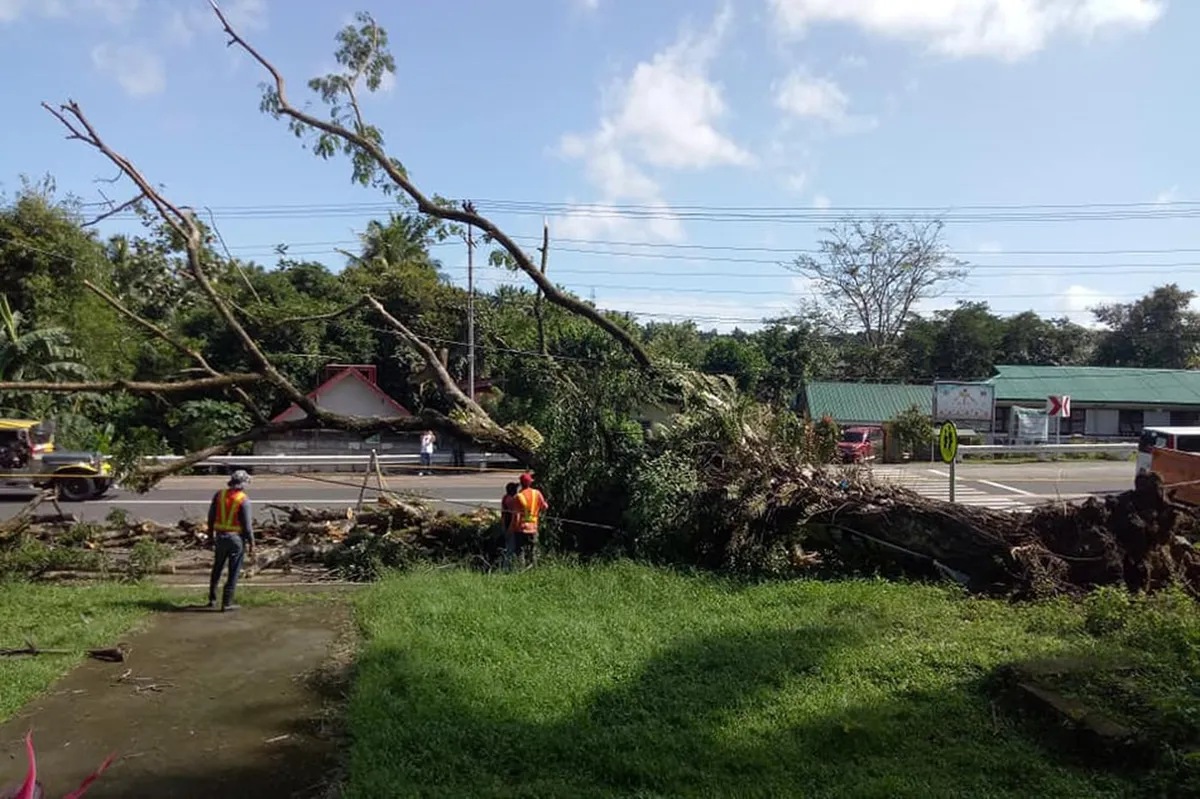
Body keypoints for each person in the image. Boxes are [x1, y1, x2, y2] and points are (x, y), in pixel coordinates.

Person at [206, 470, 254, 611]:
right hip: (236, 539)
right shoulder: (243, 499)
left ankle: (212, 599)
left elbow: (211, 518)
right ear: (243, 484)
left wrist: (210, 536)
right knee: (233, 570)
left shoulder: (219, 495)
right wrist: (252, 543)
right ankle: (227, 603)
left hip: (220, 537)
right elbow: (247, 526)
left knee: (217, 568)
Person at [512, 472, 549, 570]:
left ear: (521, 483)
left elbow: (516, 515)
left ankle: (521, 570)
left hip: (521, 528)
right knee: (533, 551)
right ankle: (533, 569)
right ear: (530, 483)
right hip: (533, 527)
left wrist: (512, 528)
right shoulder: (536, 493)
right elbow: (545, 507)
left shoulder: (518, 497)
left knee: (520, 552)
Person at [500, 481, 521, 571]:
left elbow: (503, 515)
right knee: (511, 549)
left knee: (509, 547)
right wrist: (510, 529)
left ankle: (508, 566)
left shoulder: (505, 498)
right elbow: (515, 516)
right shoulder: (512, 500)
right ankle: (508, 568)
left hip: (507, 525)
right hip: (511, 526)